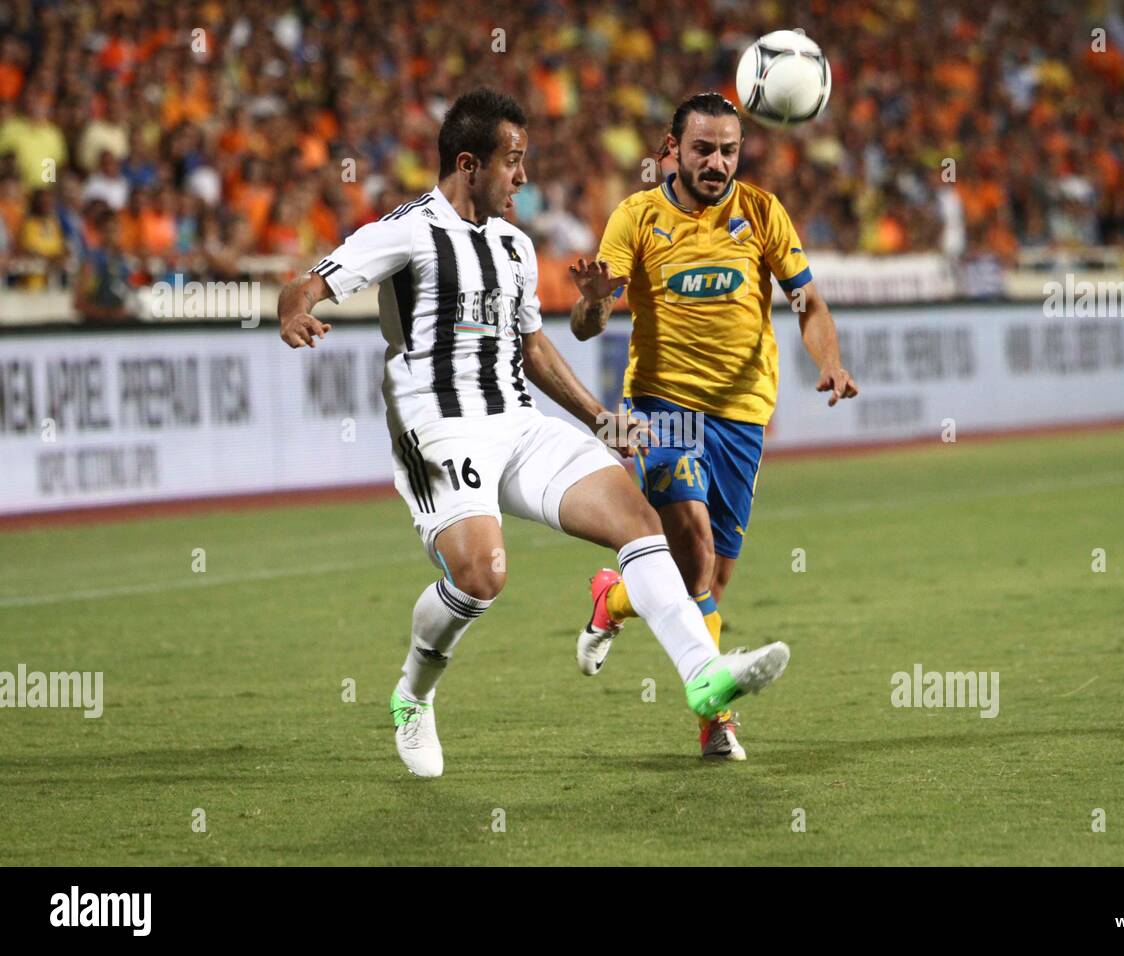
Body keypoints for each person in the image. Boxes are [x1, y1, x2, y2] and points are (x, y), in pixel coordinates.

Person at [277, 89, 790, 778]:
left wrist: (599, 418)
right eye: (512, 162)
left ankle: (704, 677)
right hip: (440, 430)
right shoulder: (406, 232)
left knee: (639, 520)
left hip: (517, 423)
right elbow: (305, 284)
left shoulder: (515, 247)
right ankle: (412, 696)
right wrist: (294, 314)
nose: (522, 177)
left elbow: (534, 351)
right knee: (482, 576)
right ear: (468, 164)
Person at [569, 92, 858, 760]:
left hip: (743, 415)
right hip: (661, 407)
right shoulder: (637, 217)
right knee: (693, 545)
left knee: (710, 580)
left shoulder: (760, 211)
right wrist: (590, 305)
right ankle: (715, 716)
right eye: (703, 148)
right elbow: (592, 320)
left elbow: (807, 301)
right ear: (670, 149)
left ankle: (614, 600)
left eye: (729, 149)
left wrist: (832, 362)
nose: (717, 162)